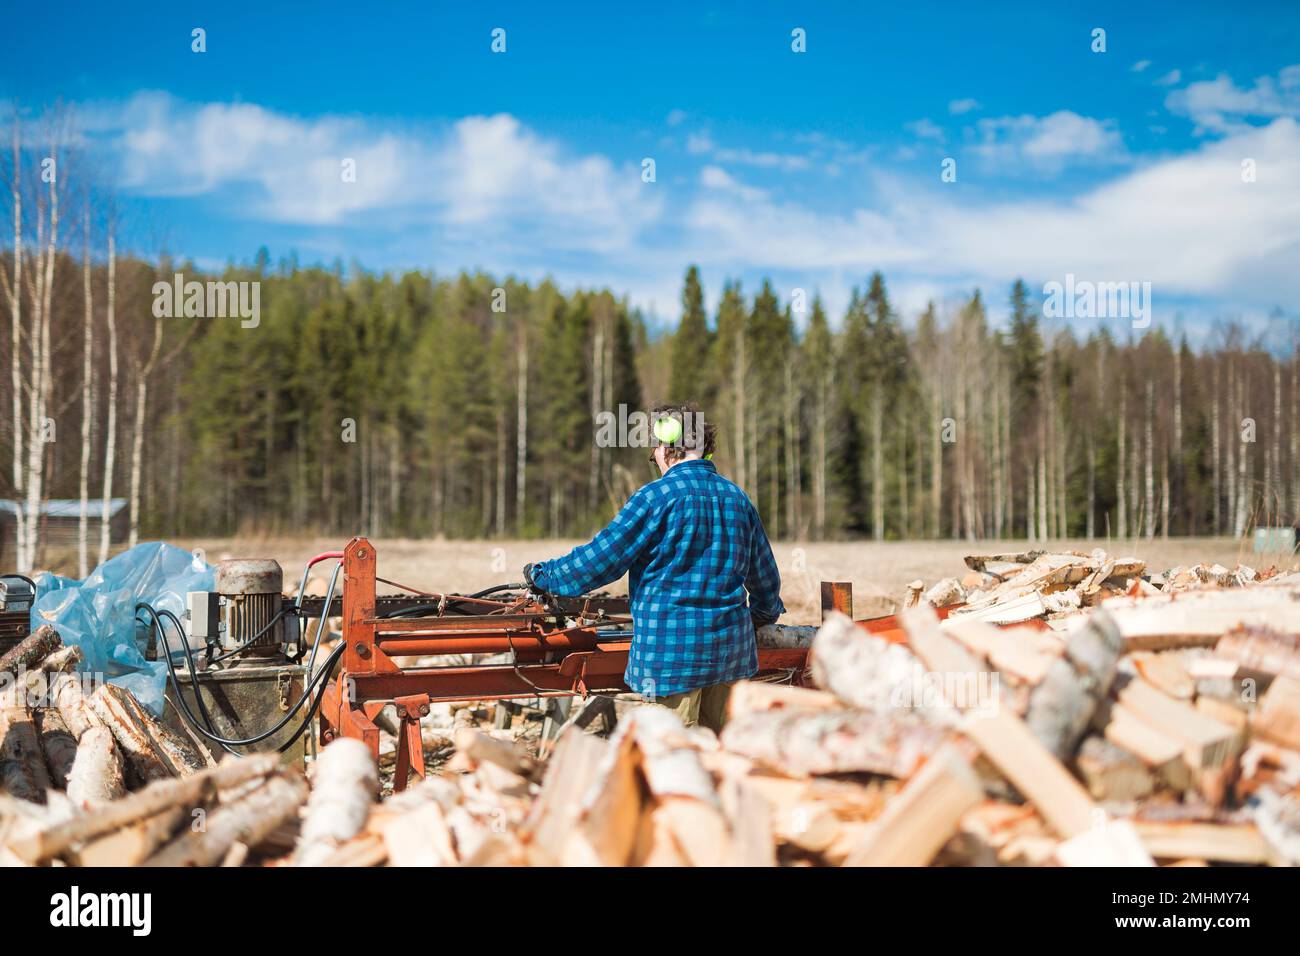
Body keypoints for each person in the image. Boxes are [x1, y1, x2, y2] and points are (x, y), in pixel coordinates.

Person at [523, 402, 784, 732]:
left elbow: (602, 559)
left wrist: (545, 576)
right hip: (732, 657)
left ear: (666, 445)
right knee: (725, 757)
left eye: (655, 450)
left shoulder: (656, 498)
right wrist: (757, 617)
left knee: (678, 763)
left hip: (674, 661)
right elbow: (765, 581)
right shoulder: (737, 498)